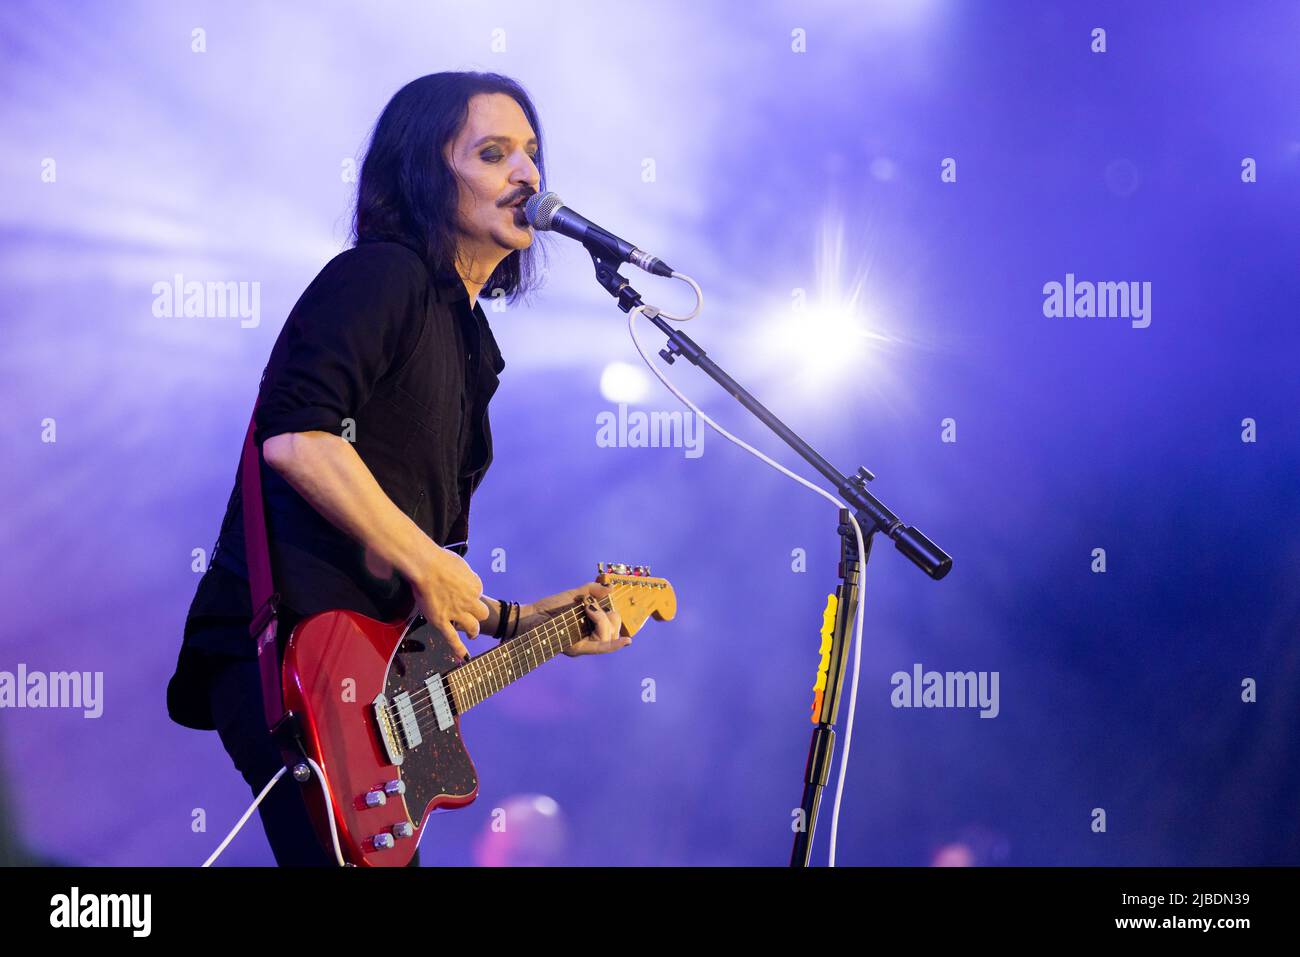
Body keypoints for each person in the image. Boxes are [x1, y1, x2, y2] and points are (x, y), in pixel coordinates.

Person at [165, 72, 630, 867]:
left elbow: (424, 581)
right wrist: (423, 560)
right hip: (292, 655)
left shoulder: (470, 342)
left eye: (532, 154)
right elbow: (297, 437)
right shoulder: (382, 276)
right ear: (425, 170)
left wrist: (530, 622)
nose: (527, 175)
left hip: (367, 674)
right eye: (493, 153)